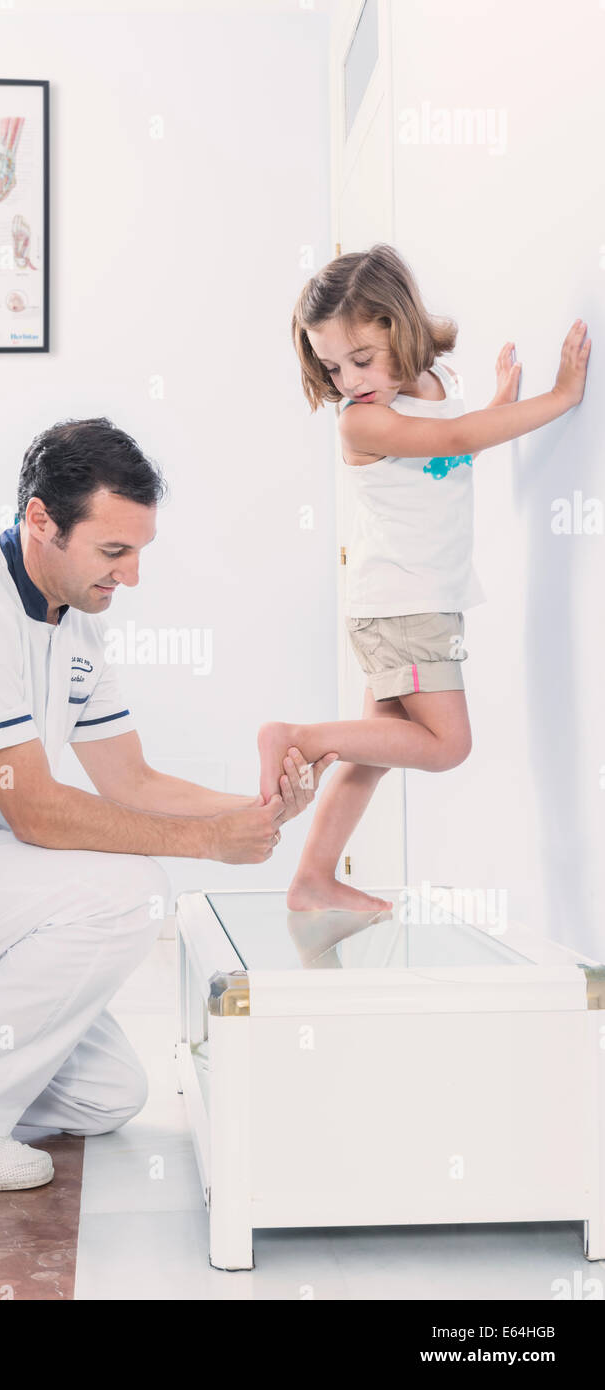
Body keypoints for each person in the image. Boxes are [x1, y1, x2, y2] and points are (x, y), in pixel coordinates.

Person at [0, 417, 336, 1191]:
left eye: (139, 551)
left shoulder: (71, 616)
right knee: (129, 893)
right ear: (41, 520)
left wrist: (260, 807)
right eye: (114, 552)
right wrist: (211, 842)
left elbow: (132, 782)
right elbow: (38, 815)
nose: (132, 576)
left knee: (105, 1093)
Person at [257, 243, 591, 916]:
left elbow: (455, 442)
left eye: (362, 359)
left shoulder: (431, 390)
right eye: (331, 367)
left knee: (374, 749)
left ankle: (313, 879)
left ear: (400, 328)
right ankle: (299, 735)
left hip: (411, 603)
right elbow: (454, 442)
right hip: (404, 605)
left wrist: (497, 402)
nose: (349, 380)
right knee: (448, 746)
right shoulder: (365, 420)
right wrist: (560, 396)